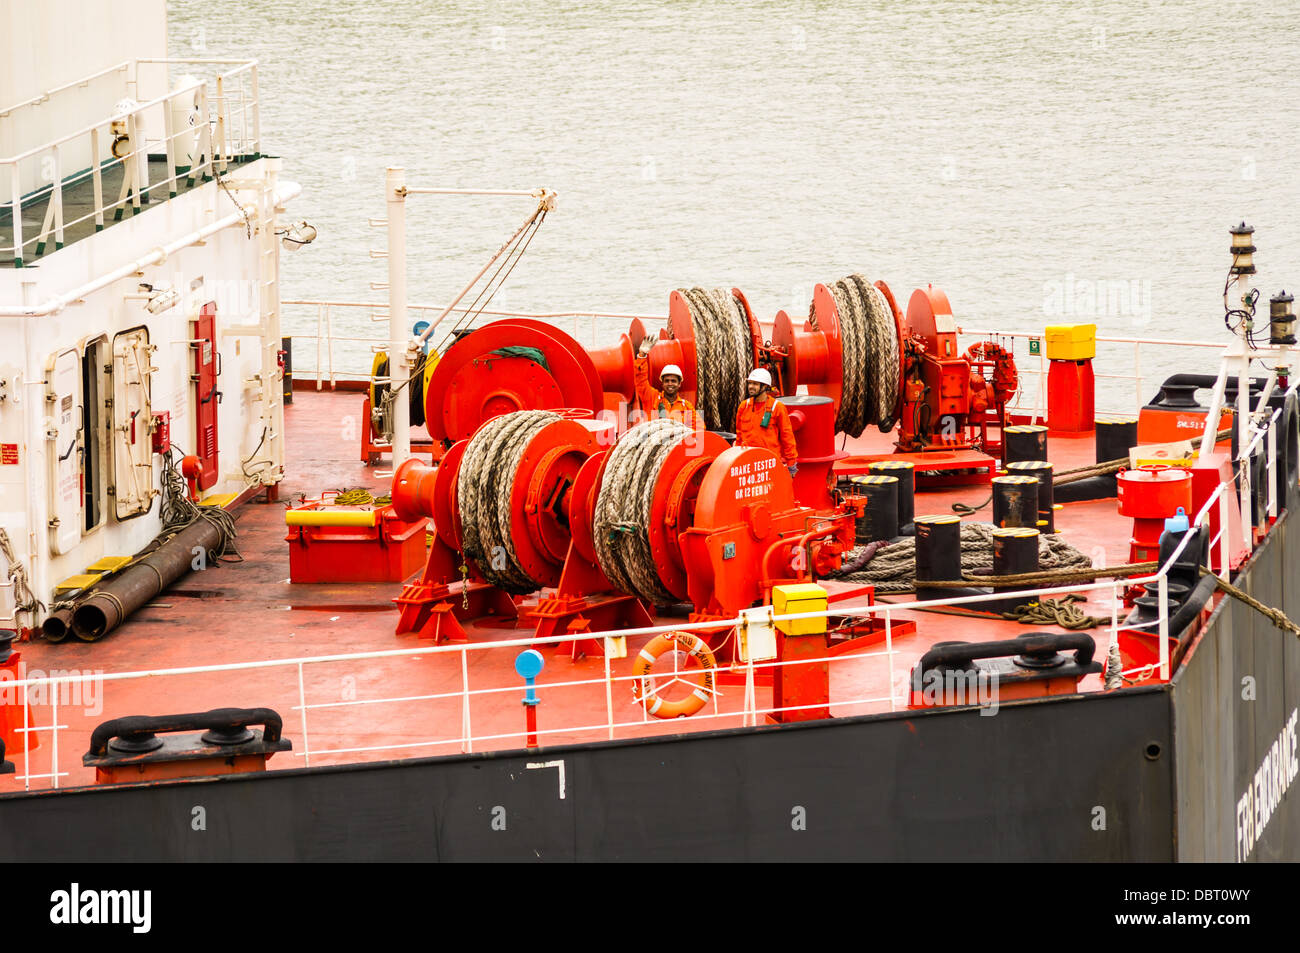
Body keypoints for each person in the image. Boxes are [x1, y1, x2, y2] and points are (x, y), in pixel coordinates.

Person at [735, 368, 798, 477]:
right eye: (750, 383)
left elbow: (787, 437)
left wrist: (791, 464)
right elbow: (739, 436)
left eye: (755, 384)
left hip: (769, 464)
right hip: (747, 463)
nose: (750, 387)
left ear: (765, 387)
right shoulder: (744, 406)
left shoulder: (777, 407)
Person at [634, 339, 697, 426]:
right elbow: (640, 380)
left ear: (679, 384)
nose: (670, 384)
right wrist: (642, 355)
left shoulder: (687, 407)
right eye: (667, 381)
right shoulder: (652, 398)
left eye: (673, 381)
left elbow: (697, 429)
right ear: (662, 383)